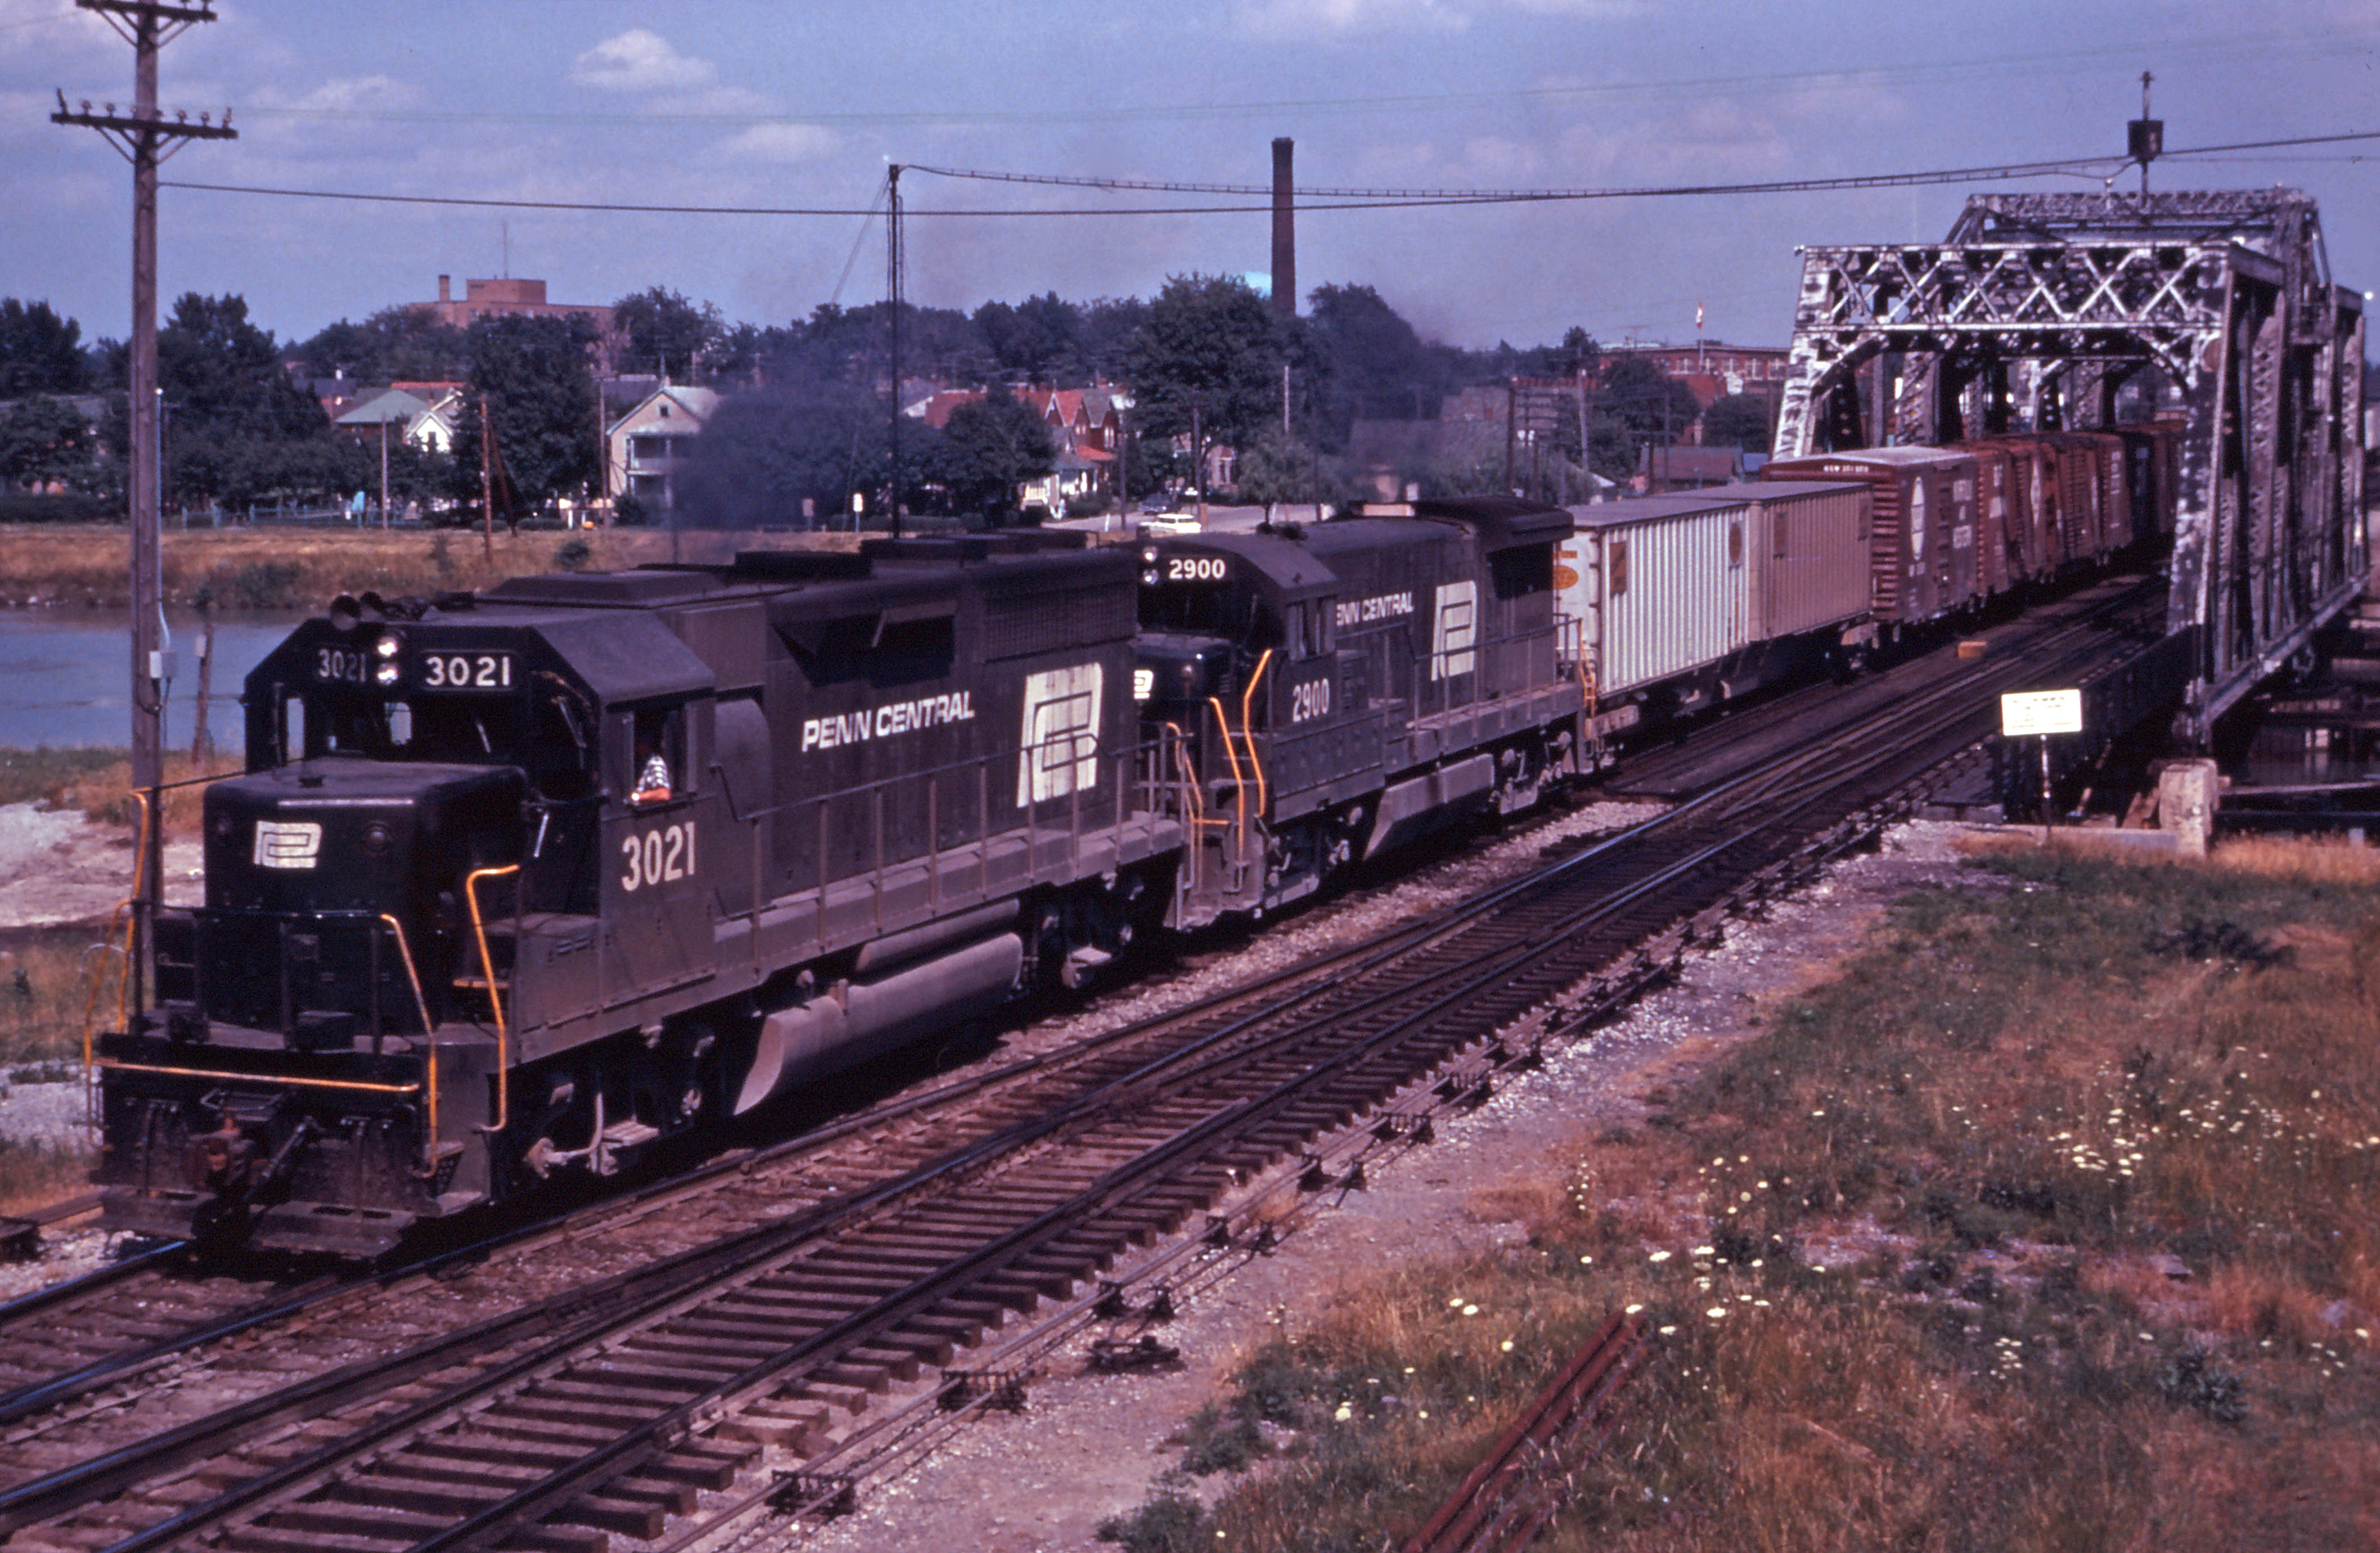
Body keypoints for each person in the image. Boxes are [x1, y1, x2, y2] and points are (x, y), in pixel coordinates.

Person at [632, 738, 672, 804]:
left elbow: (664, 794)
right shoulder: (638, 763)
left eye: (641, 744)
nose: (637, 747)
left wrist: (637, 796)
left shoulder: (655, 762)